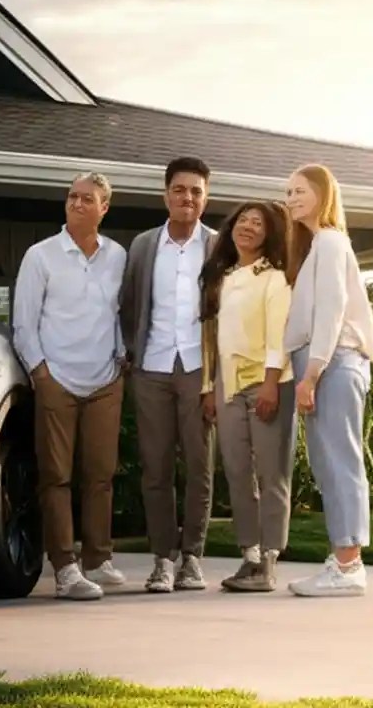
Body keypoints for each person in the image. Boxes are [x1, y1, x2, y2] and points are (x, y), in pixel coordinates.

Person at [12, 171, 128, 600]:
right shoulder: (40, 256)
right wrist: (41, 374)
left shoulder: (117, 256)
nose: (78, 204)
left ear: (104, 208)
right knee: (55, 476)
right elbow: (24, 321)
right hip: (56, 378)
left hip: (105, 381)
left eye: (87, 199)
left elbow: (118, 313)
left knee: (100, 476)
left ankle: (98, 558)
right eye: (72, 197)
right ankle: (65, 568)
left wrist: (120, 362)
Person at [120, 156, 218, 593]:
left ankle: (193, 557)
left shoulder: (218, 246)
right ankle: (162, 559)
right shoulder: (143, 246)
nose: (188, 198)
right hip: (152, 367)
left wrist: (217, 379)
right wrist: (130, 353)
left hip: (199, 369)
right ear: (166, 194)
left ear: (205, 197)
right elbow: (127, 305)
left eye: (196, 191)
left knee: (199, 465)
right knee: (156, 468)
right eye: (180, 190)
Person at [281, 163, 373, 597]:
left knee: (340, 461)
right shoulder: (318, 245)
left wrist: (312, 372)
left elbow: (332, 311)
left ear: (323, 194)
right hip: (323, 363)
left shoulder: (332, 242)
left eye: (300, 190)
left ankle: (348, 567)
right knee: (328, 463)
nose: (292, 198)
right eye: (288, 192)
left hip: (333, 363)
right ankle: (343, 560)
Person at [198, 200, 298, 592]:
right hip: (227, 384)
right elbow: (211, 339)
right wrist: (209, 388)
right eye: (244, 220)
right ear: (232, 228)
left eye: (259, 223)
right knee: (237, 472)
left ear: (270, 234)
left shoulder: (274, 278)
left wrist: (272, 382)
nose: (249, 227)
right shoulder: (221, 277)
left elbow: (279, 335)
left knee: (271, 473)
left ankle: (270, 561)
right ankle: (250, 557)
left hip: (268, 381)